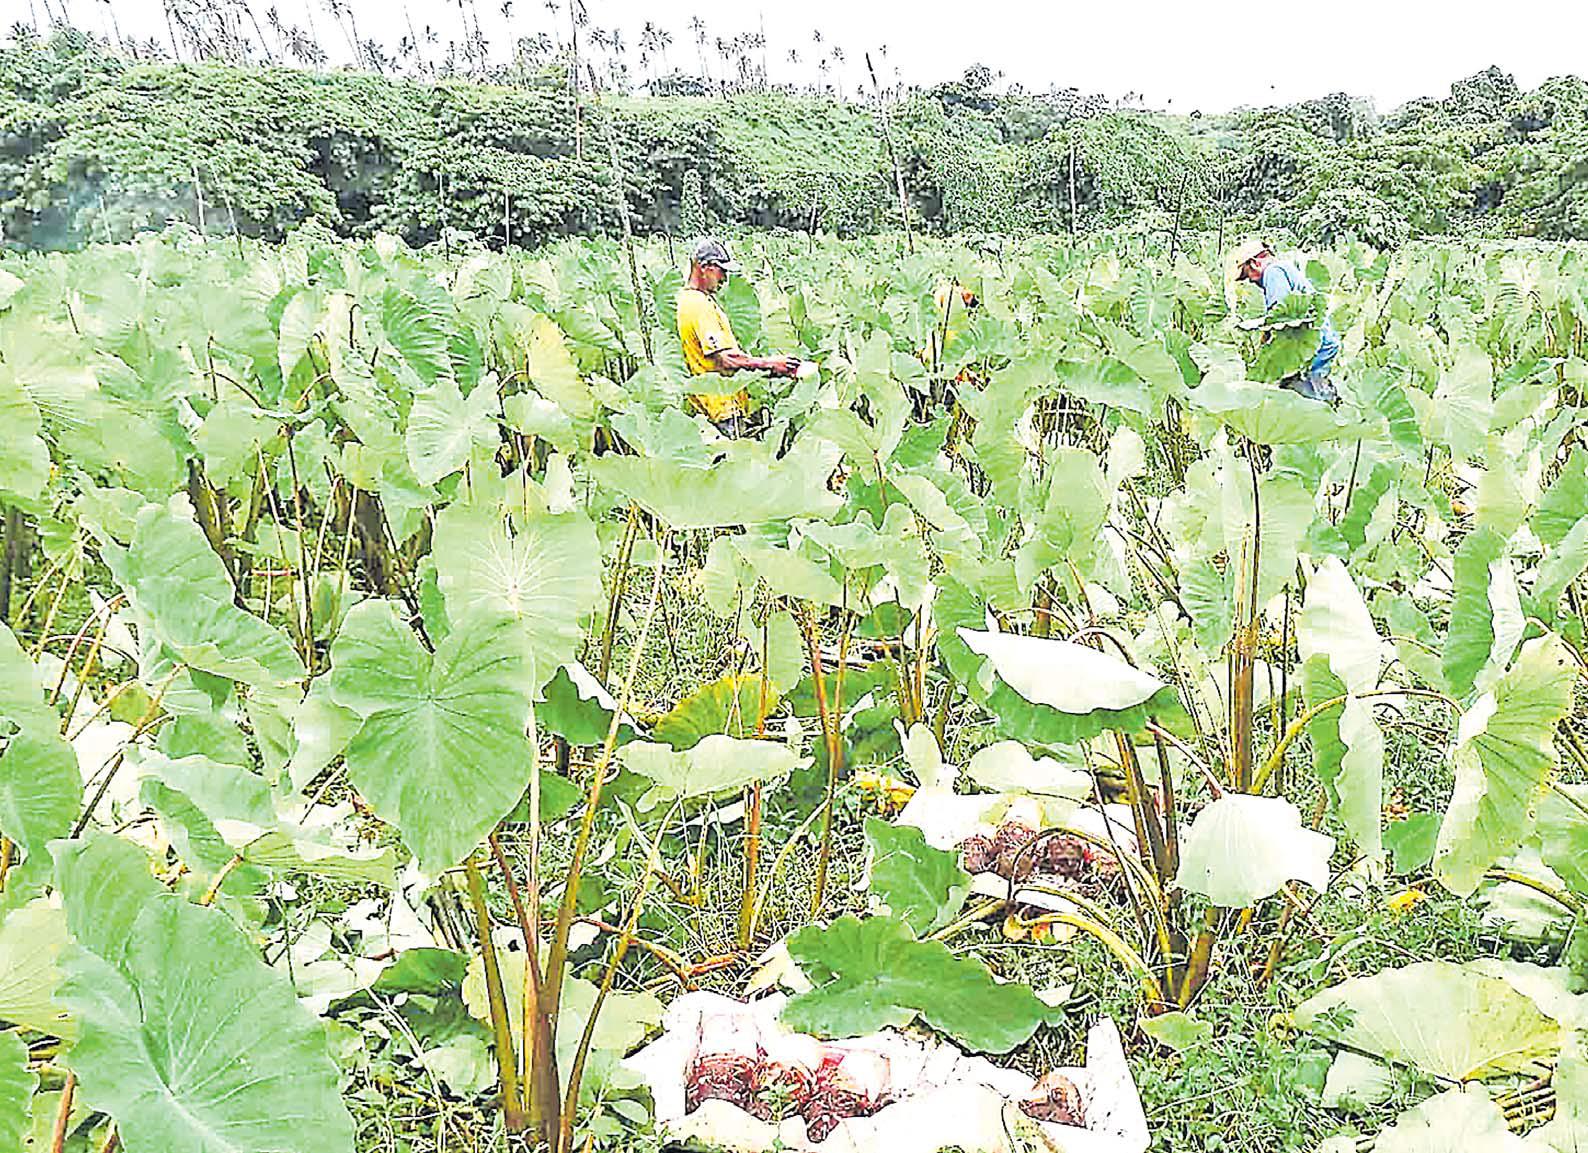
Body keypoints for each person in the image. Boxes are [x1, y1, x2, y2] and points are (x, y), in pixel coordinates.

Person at [676, 238, 800, 436]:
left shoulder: (688, 299)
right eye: (721, 270)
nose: (724, 278)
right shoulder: (698, 305)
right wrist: (770, 363)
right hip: (723, 410)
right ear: (704, 267)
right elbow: (725, 359)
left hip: (716, 407)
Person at [1231, 238, 1340, 402]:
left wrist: (1266, 351)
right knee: (1317, 393)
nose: (1252, 281)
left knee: (1307, 402)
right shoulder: (1284, 266)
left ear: (1254, 263)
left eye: (1248, 276)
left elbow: (1280, 318)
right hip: (1322, 341)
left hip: (1312, 346)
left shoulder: (1273, 273)